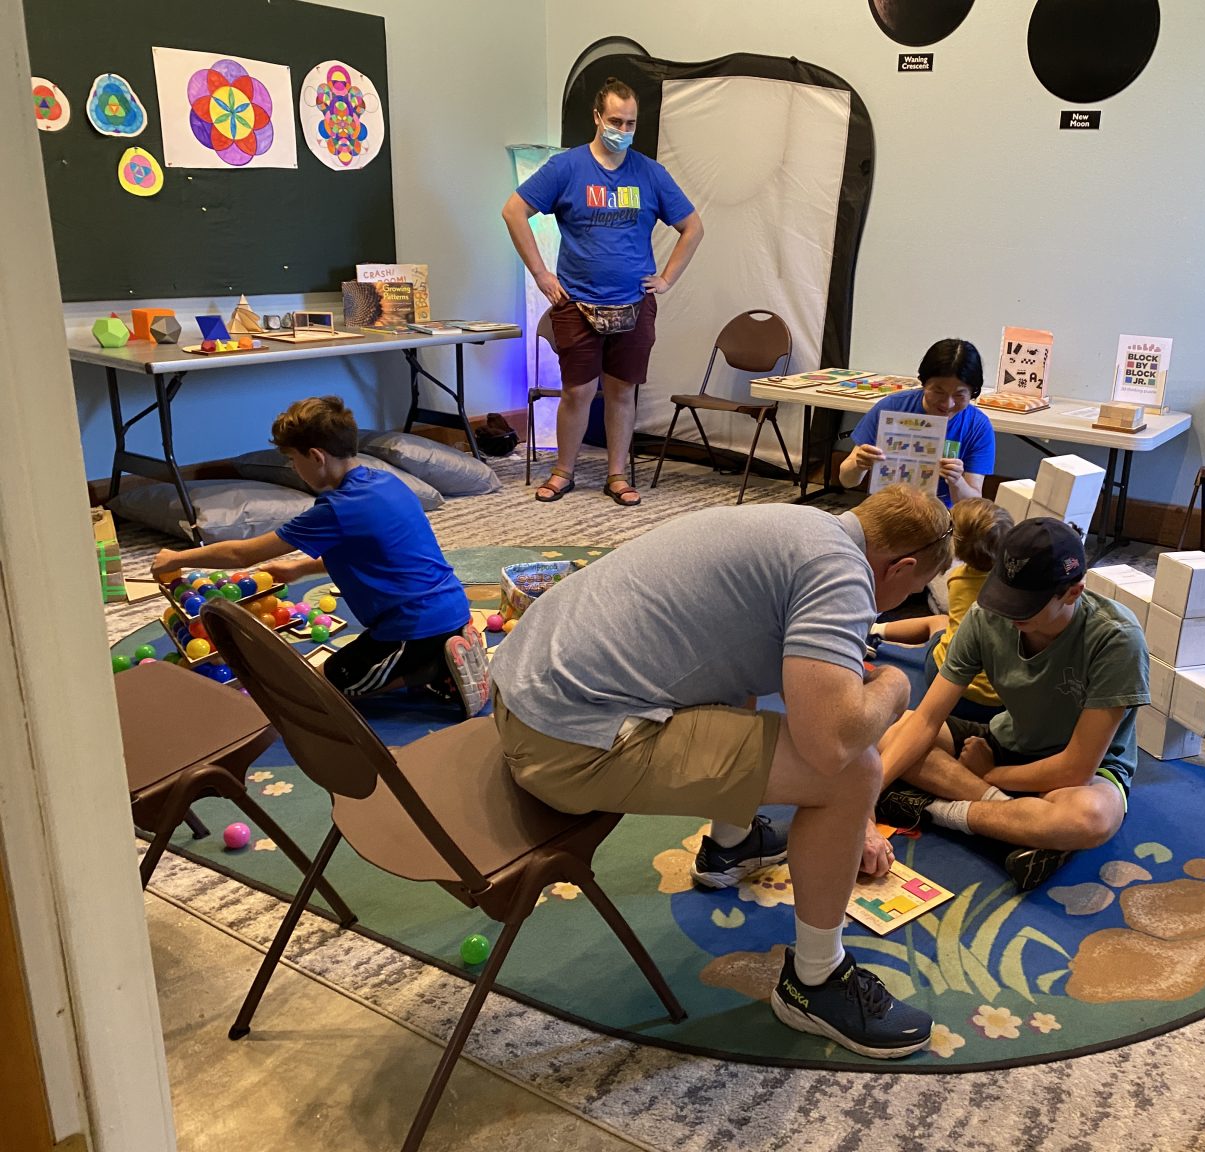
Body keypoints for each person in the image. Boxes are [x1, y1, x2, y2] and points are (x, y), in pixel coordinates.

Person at [490, 485, 952, 1058]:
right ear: (902, 566)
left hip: (521, 693)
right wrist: (895, 686)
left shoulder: (796, 524)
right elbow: (830, 742)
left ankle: (731, 847)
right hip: (567, 744)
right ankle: (815, 981)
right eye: (904, 594)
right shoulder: (841, 569)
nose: (887, 611)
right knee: (854, 772)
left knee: (740, 672)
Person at [150, 397, 489, 718]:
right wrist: (301, 567)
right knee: (318, 681)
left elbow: (243, 553)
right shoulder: (387, 481)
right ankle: (441, 649)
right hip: (450, 606)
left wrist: (178, 558)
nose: (295, 470)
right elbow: (373, 553)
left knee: (312, 694)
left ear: (316, 456)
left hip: (414, 627)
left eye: (294, 461)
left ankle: (430, 670)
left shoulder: (336, 509)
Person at [875, 518, 1150, 892]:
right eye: (1004, 596)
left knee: (1089, 819)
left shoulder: (1117, 638)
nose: (1007, 612)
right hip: (1004, 741)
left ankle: (936, 811)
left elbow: (1076, 768)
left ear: (1072, 592)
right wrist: (864, 800)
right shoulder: (987, 615)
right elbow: (925, 720)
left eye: (1025, 606)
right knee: (886, 727)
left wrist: (990, 775)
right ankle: (1017, 823)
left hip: (1082, 774)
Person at [501, 77, 705, 509]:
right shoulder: (567, 168)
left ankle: (617, 474)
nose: (623, 130)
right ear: (597, 117)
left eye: (630, 123)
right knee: (577, 390)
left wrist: (666, 278)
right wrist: (540, 273)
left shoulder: (651, 173)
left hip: (633, 303)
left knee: (622, 391)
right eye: (615, 120)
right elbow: (514, 210)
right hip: (576, 300)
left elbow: (692, 227)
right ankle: (563, 472)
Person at [866, 497, 1013, 723]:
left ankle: (876, 629)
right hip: (999, 702)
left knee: (940, 622)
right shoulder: (1020, 589)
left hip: (947, 685)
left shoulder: (957, 580)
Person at [839, 338, 995, 508]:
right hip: (888, 510)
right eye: (938, 391)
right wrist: (858, 465)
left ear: (973, 392)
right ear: (923, 383)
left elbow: (973, 504)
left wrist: (957, 482)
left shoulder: (978, 426)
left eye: (959, 395)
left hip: (941, 517)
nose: (947, 404)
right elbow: (846, 480)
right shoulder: (892, 408)